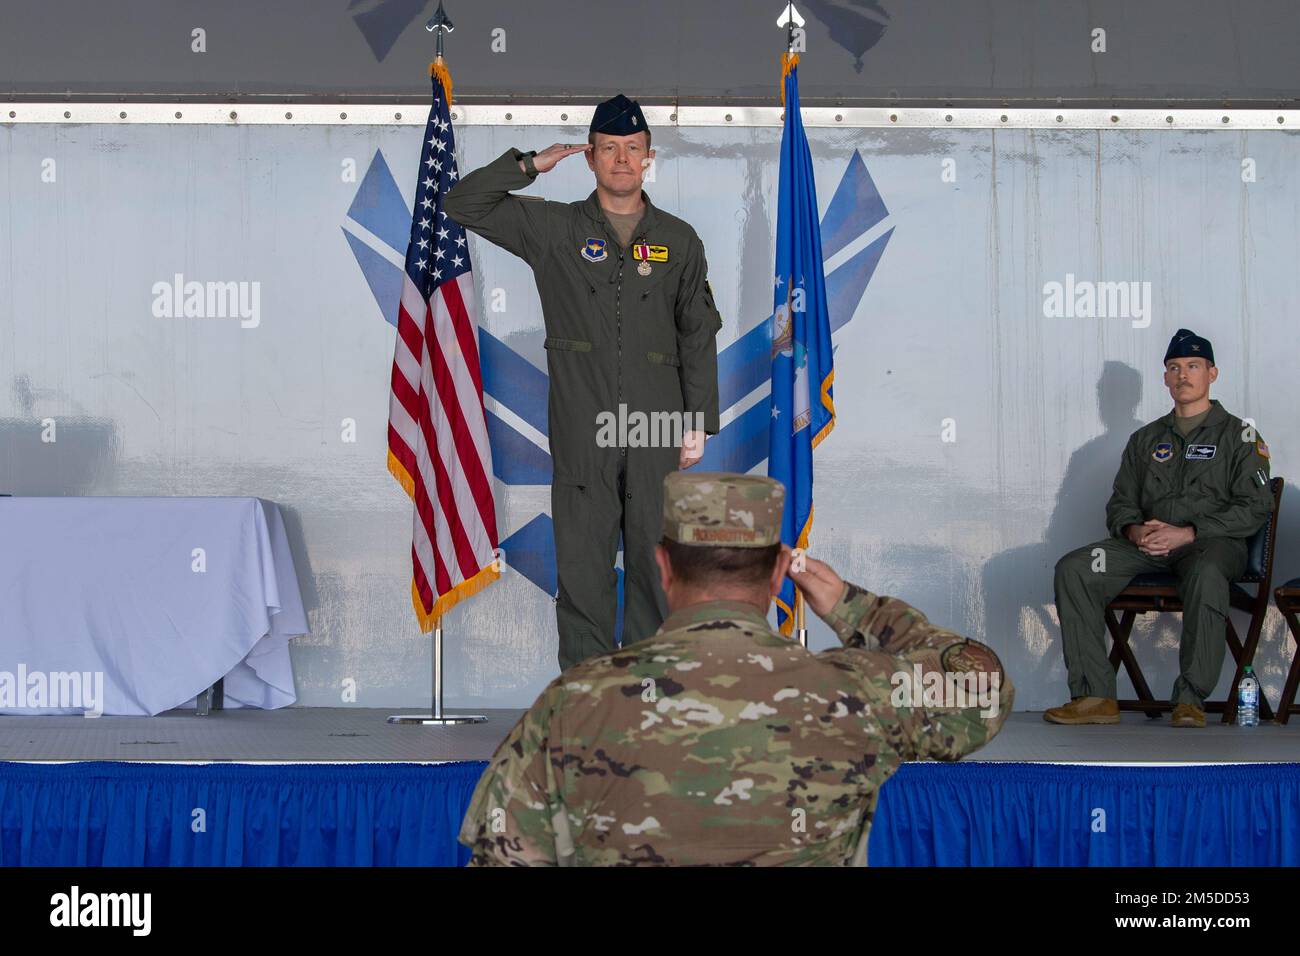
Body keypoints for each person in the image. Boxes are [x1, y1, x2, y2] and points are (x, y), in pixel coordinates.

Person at [458, 472, 1012, 866]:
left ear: (662, 566)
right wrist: (851, 604)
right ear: (778, 575)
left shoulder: (574, 702)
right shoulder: (858, 694)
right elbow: (983, 688)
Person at [444, 94, 722, 671]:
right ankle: (590, 704)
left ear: (648, 157)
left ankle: (649, 700)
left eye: (633, 149)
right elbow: (462, 203)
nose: (622, 159)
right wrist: (529, 165)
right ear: (590, 157)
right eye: (610, 149)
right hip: (583, 427)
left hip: (658, 424)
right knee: (582, 567)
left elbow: (696, 331)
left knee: (654, 566)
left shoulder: (680, 239)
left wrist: (699, 421)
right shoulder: (554, 229)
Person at [1046, 329, 1273, 728]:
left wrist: (1188, 533)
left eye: (1192, 366)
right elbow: (1120, 503)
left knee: (1206, 572)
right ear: (1165, 378)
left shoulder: (1240, 436)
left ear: (1212, 374)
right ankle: (1095, 696)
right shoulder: (1145, 439)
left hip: (1210, 546)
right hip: (1145, 545)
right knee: (1077, 567)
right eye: (1174, 368)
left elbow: (1256, 507)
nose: (1183, 375)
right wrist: (1134, 531)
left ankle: (1190, 699)